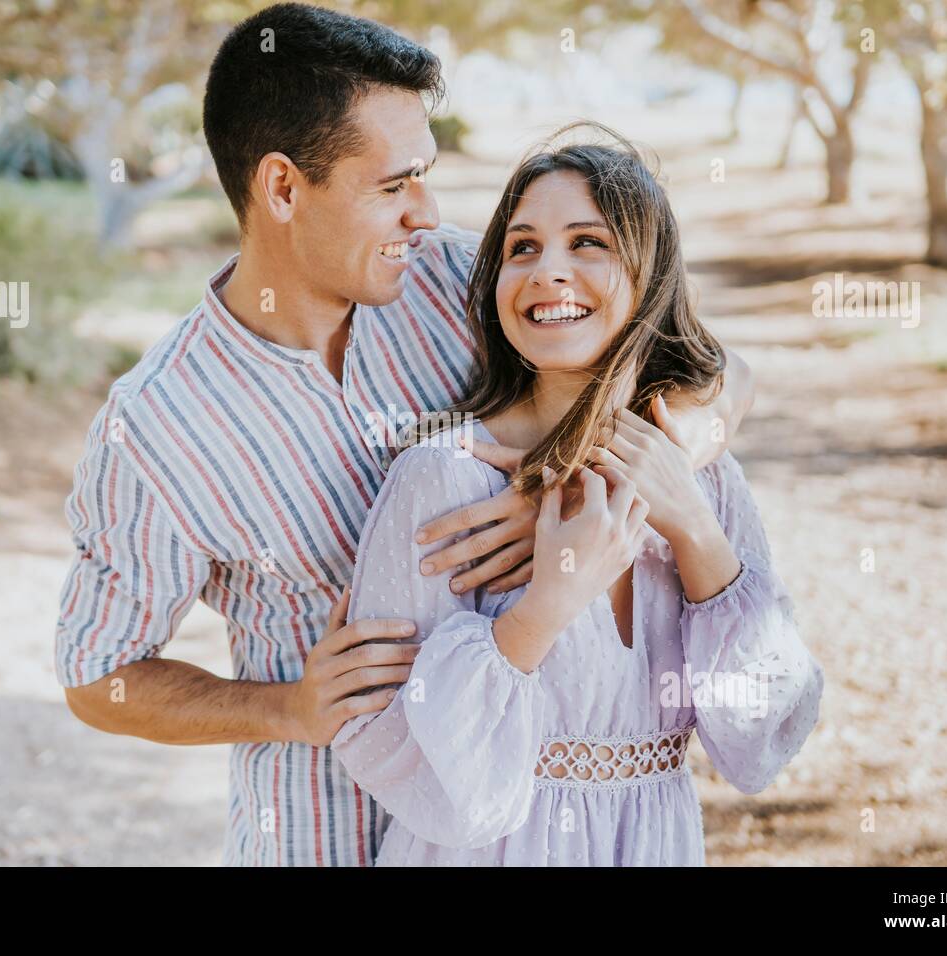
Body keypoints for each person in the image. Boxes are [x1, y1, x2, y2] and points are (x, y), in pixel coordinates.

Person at [54, 2, 754, 866]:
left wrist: (620, 472)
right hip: (323, 829)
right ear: (282, 187)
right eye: (394, 185)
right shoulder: (156, 427)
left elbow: (692, 355)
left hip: (514, 832)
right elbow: (99, 677)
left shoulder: (460, 279)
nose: (424, 212)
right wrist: (285, 708)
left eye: (424, 176)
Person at [331, 128, 825, 865]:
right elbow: (390, 746)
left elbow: (758, 742)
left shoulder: (707, 479)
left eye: (587, 242)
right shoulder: (444, 478)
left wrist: (694, 531)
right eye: (522, 248)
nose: (547, 272)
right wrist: (547, 605)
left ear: (651, 272)